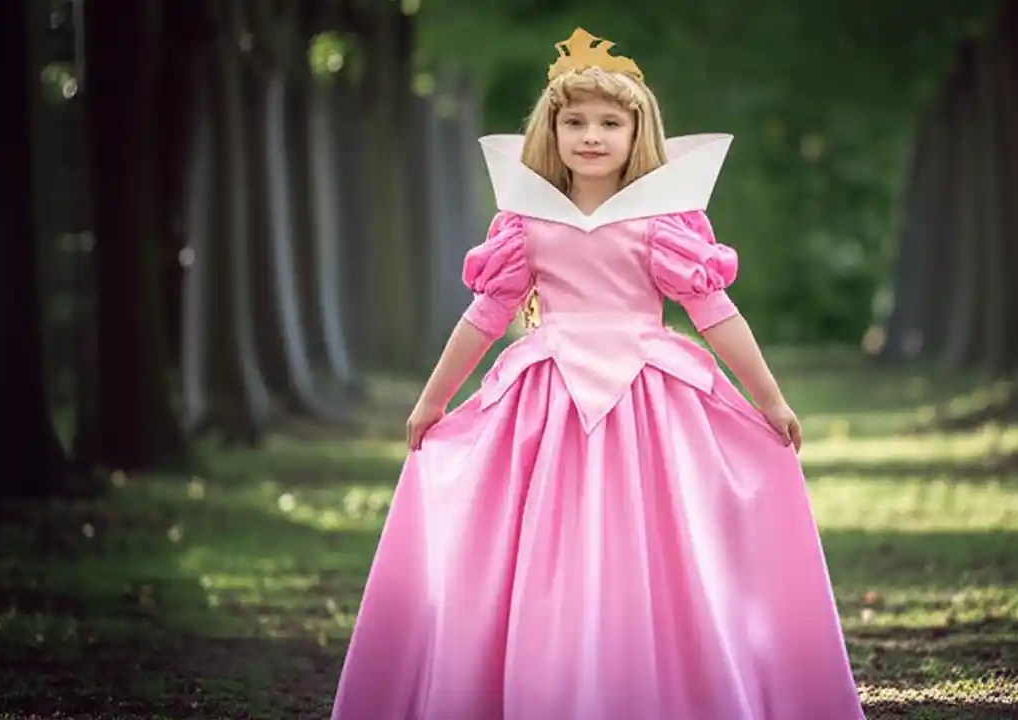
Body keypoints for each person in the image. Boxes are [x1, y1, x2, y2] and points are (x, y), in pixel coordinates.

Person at [330, 27, 866, 720]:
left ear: (637, 132)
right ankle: (541, 669)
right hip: (545, 404)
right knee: (542, 541)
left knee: (651, 538)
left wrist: (770, 399)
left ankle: (657, 673)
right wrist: (432, 401)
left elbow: (716, 315)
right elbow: (484, 319)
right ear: (549, 133)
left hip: (647, 400)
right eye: (574, 122)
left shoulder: (663, 223)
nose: (591, 136)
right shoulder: (526, 223)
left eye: (610, 123)